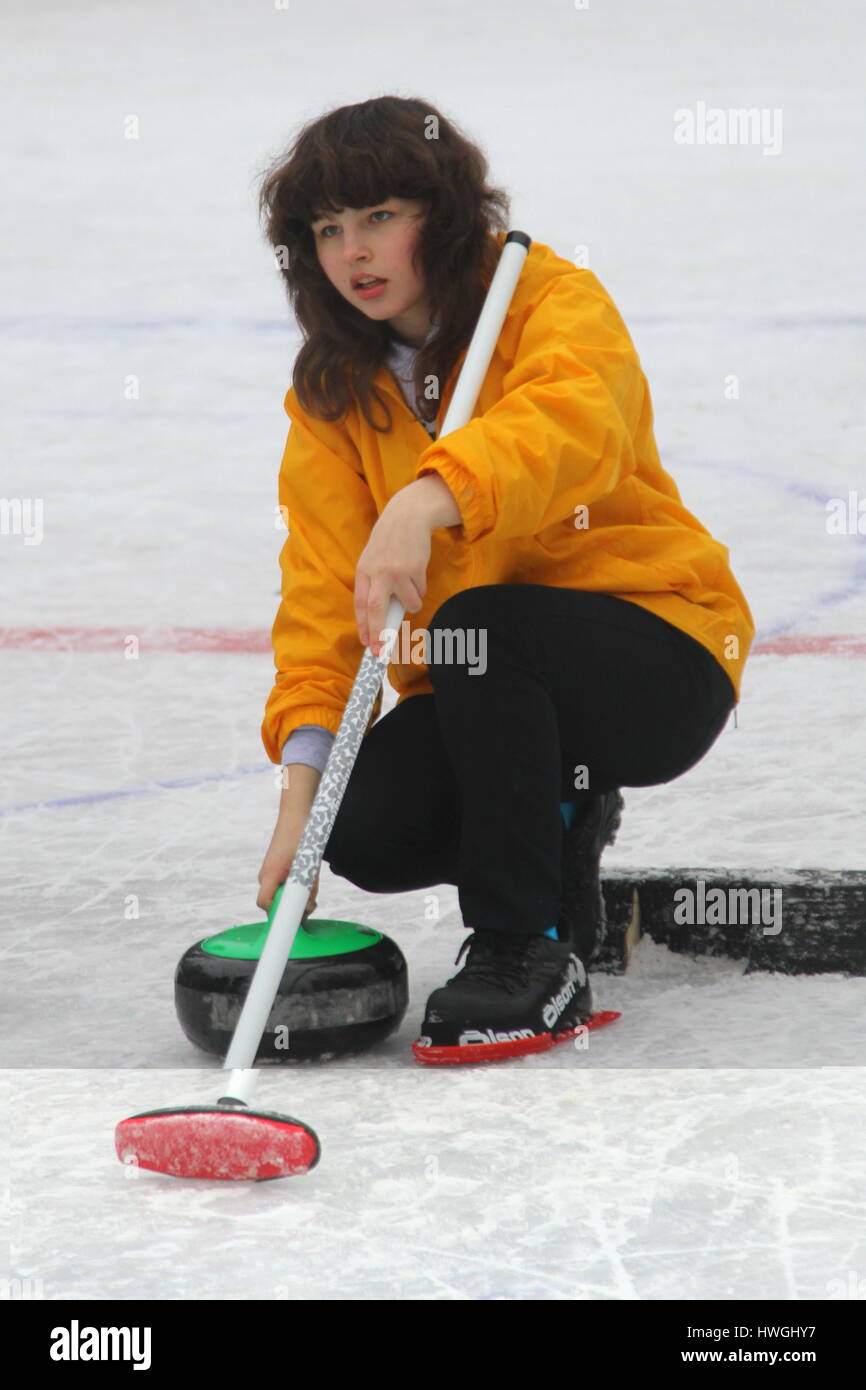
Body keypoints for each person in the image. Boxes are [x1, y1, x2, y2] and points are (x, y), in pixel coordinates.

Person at [254, 95, 755, 1060]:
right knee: (359, 824)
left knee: (481, 626)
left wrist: (426, 498)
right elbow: (322, 594)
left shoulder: (545, 300)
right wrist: (297, 806)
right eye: (326, 229)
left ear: (437, 217)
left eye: (379, 218)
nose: (352, 252)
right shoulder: (333, 396)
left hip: (659, 648)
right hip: (494, 692)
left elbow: (576, 424)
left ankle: (527, 947)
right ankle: (558, 819)